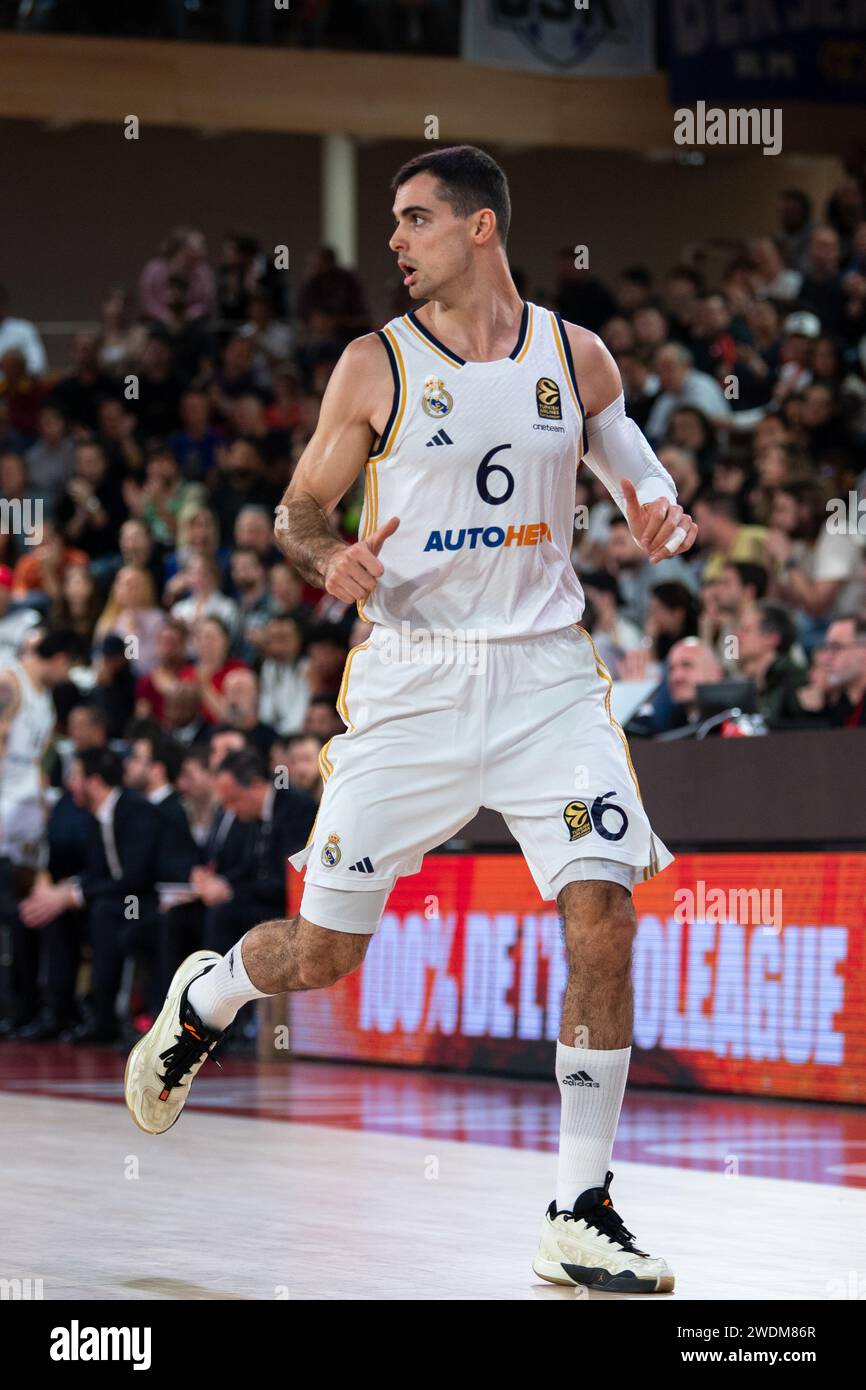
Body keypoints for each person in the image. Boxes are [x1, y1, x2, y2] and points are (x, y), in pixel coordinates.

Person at [126, 145, 698, 1294]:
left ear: (481, 228)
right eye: (392, 220)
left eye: (416, 219)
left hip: (544, 677)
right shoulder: (370, 367)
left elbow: (632, 466)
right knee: (325, 956)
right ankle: (210, 993)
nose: (395, 240)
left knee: (602, 912)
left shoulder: (571, 353)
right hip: (412, 681)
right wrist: (325, 552)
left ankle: (577, 1207)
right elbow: (295, 509)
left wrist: (658, 509)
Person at [0, 630, 78, 1035]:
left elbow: (42, 752)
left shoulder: (44, 694)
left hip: (29, 799)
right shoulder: (10, 682)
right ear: (59, 655)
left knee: (24, 903)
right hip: (5, 798)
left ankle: (28, 1002)